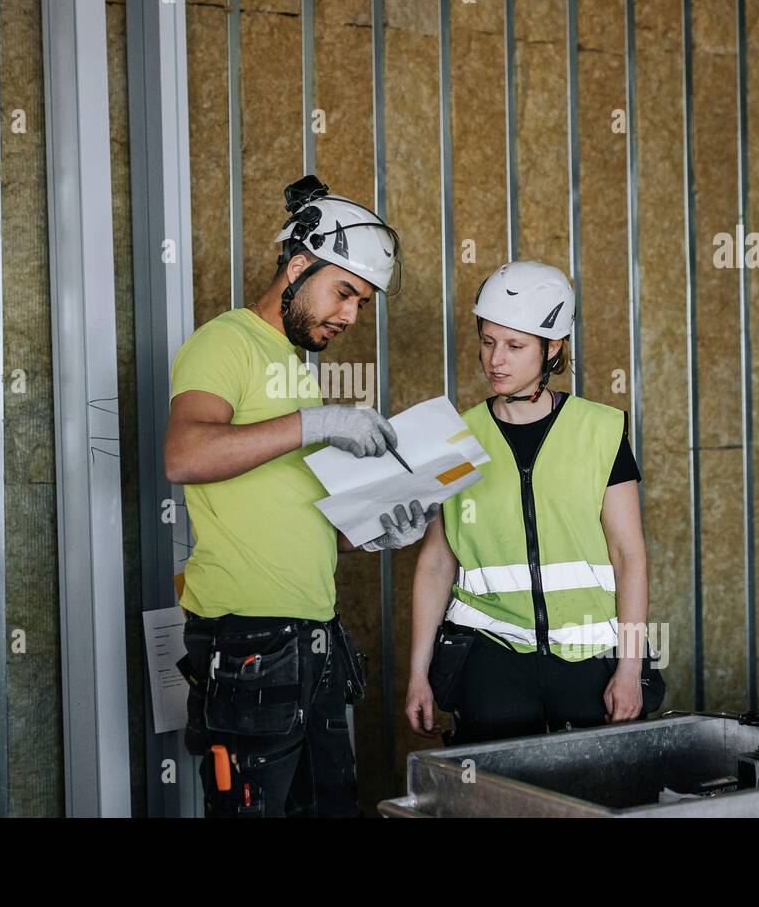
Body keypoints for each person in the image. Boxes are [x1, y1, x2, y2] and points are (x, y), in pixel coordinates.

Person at [166, 175, 436, 817]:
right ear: (297, 265)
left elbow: (288, 511)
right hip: (247, 643)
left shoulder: (296, 370)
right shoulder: (226, 341)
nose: (349, 315)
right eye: (344, 292)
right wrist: (314, 424)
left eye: (362, 303)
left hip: (311, 639)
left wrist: (370, 531)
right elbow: (184, 453)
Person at [404, 259, 656, 745]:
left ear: (552, 347)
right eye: (488, 341)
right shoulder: (456, 437)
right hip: (490, 657)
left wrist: (629, 667)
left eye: (515, 346)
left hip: (588, 657)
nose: (496, 359)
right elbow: (436, 562)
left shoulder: (600, 430)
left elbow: (629, 556)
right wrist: (418, 673)